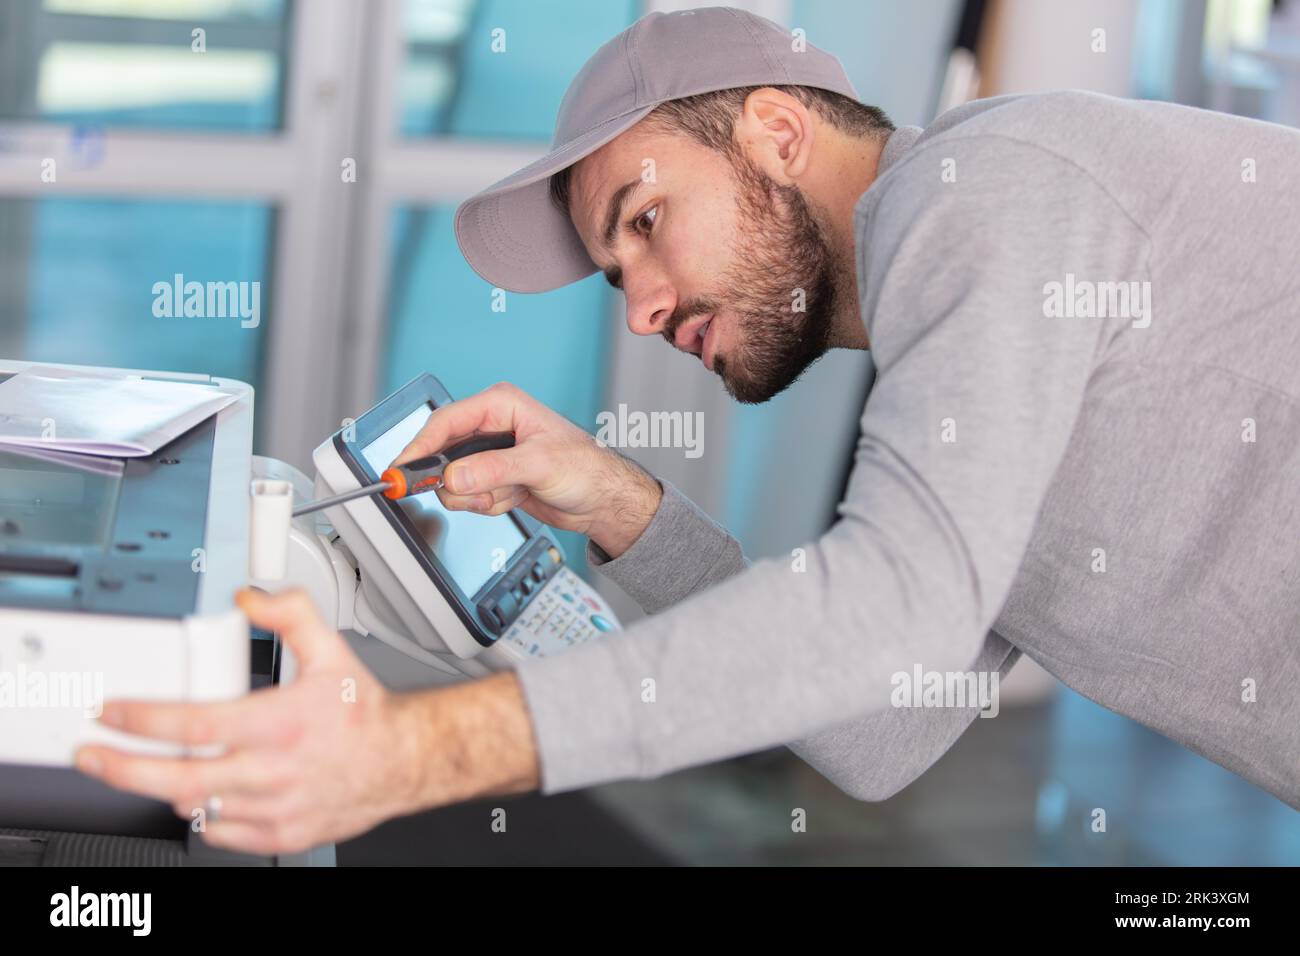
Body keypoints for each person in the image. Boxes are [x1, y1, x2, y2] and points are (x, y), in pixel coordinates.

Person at [75, 7, 1300, 855]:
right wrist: (622, 506)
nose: (647, 306)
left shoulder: (991, 186)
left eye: (646, 218)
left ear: (777, 131)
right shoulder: (969, 358)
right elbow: (882, 728)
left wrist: (415, 747)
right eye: (617, 275)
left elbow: (892, 604)